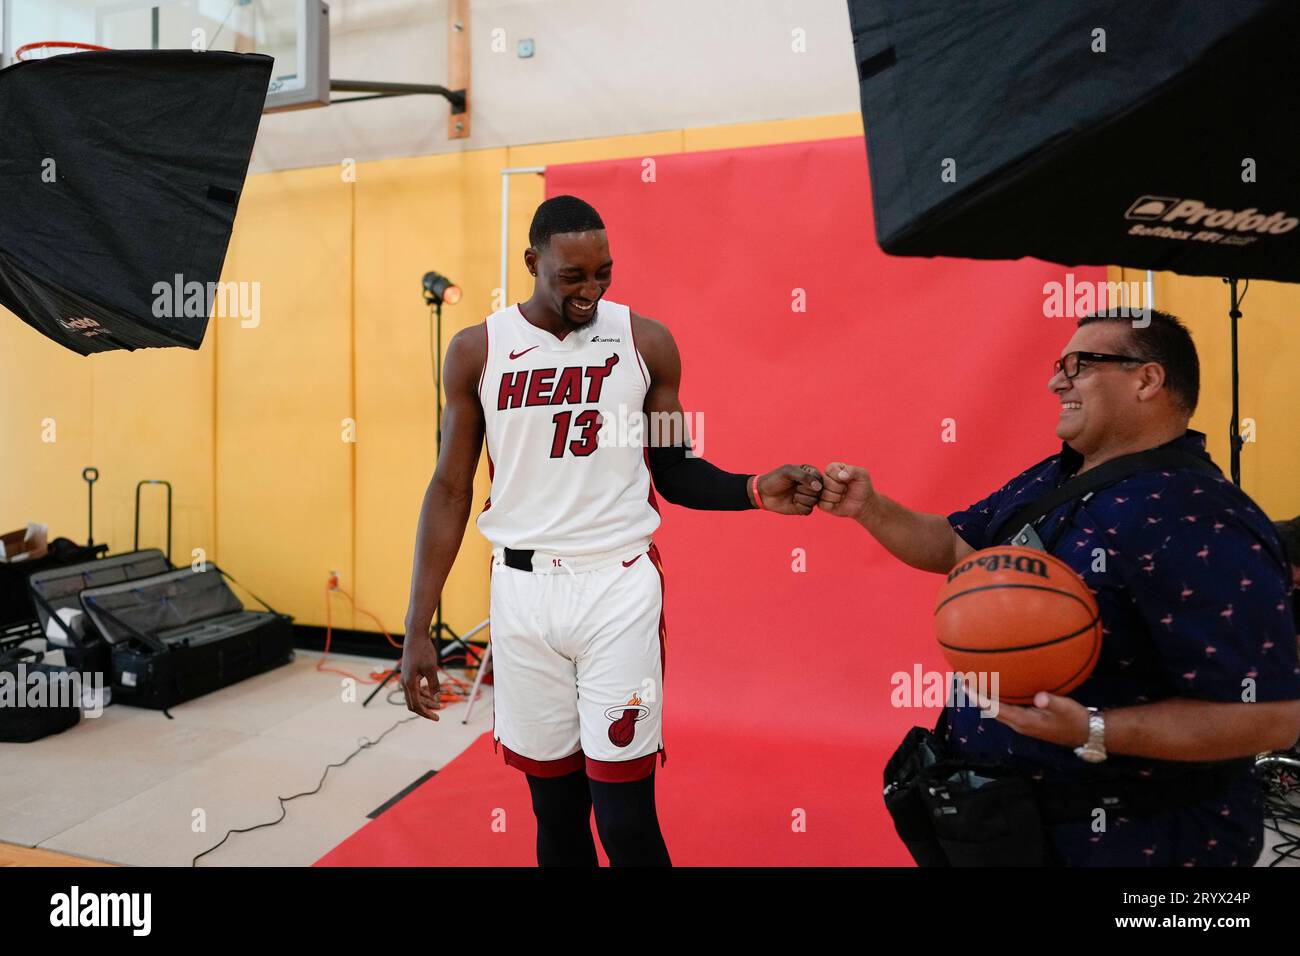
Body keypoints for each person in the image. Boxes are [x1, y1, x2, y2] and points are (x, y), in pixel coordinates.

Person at [400, 195, 822, 867]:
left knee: (624, 818)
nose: (590, 290)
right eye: (573, 276)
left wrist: (750, 489)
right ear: (534, 263)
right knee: (556, 813)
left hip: (616, 589)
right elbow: (450, 489)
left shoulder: (644, 343)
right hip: (522, 592)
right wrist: (418, 625)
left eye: (603, 273)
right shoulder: (478, 351)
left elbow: (675, 471)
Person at [819, 308, 1300, 866]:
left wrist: (1095, 729)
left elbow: (1271, 716)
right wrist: (870, 509)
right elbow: (956, 546)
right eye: (1057, 365)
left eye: (1081, 364)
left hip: (1143, 847)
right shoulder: (1057, 475)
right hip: (1016, 831)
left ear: (1147, 380)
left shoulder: (1198, 513)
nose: (1056, 381)